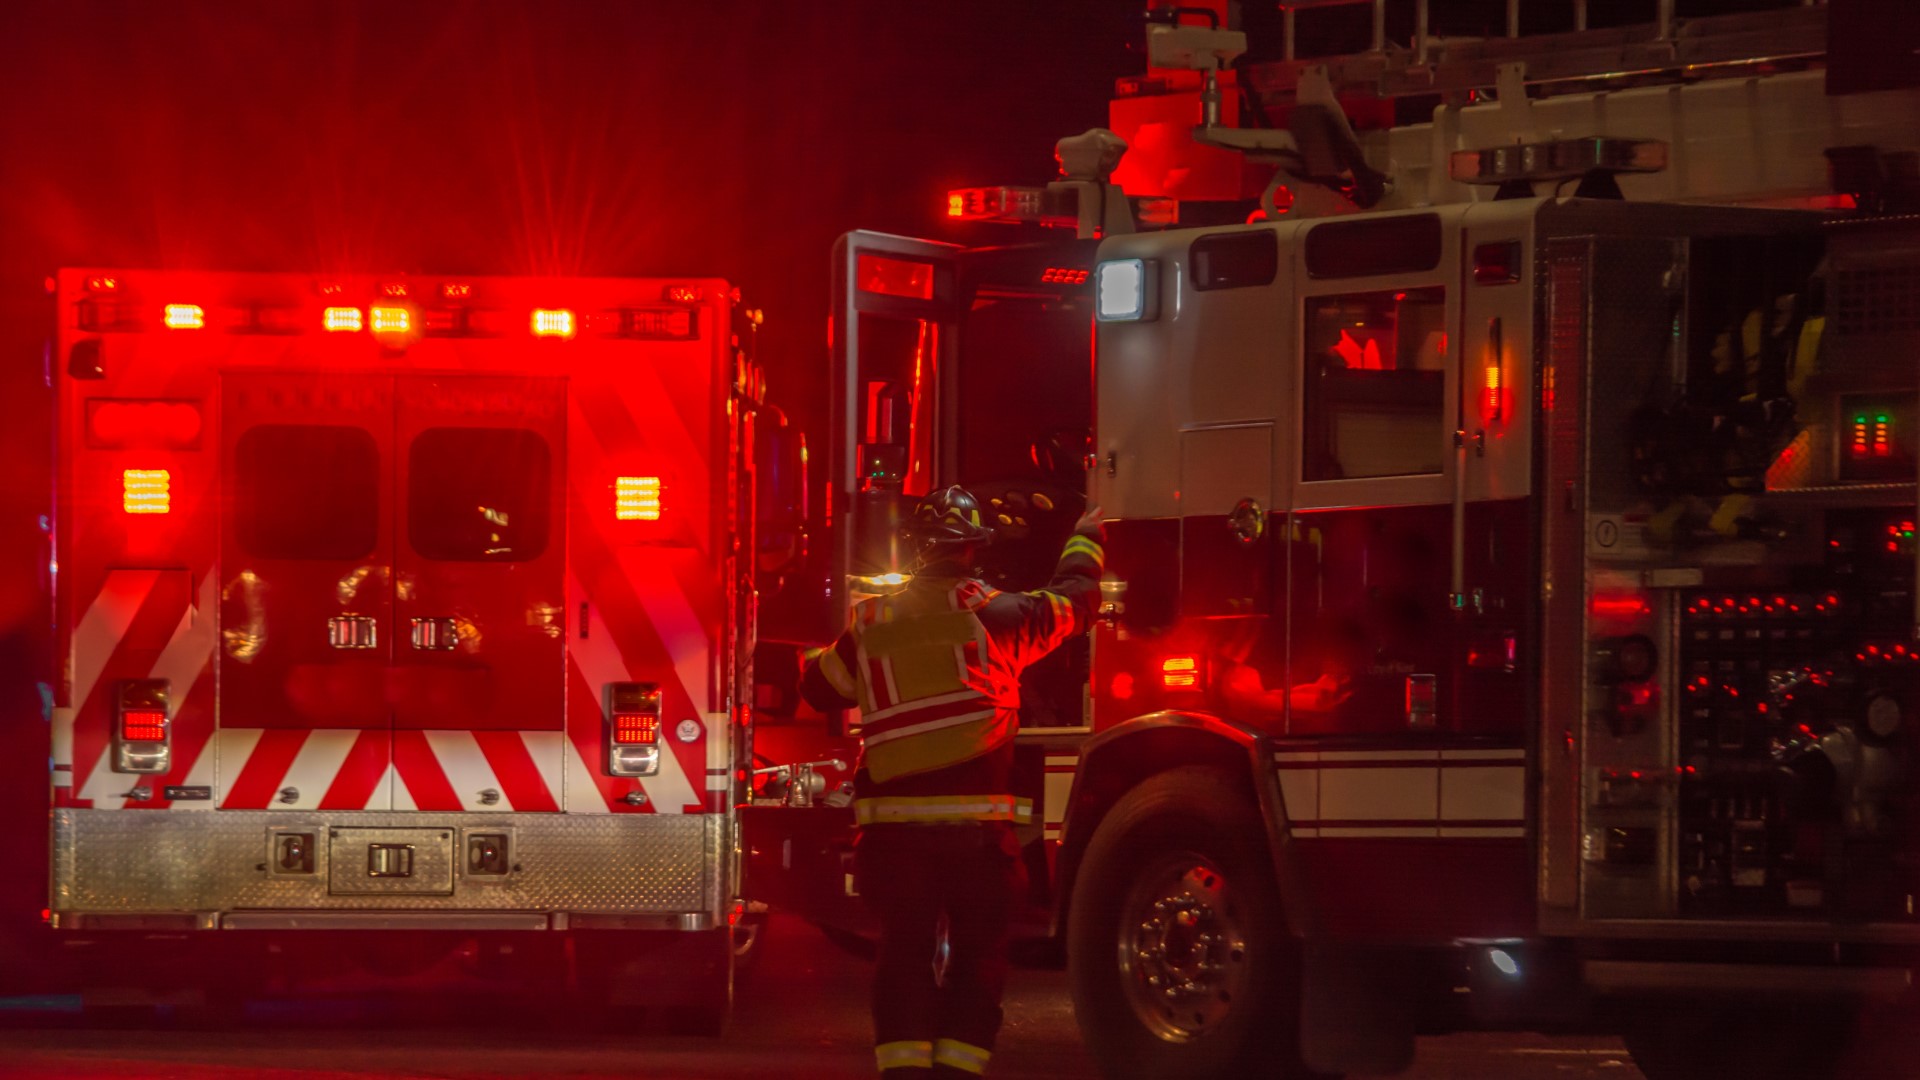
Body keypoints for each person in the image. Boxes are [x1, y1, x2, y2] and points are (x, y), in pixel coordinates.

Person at [801, 485, 1104, 1078]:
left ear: (916, 550)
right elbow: (1079, 600)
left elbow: (819, 688)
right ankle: (958, 1073)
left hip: (894, 843)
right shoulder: (1001, 617)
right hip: (977, 843)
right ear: (974, 549)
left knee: (903, 955)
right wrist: (1089, 529)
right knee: (978, 960)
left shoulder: (870, 622)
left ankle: (905, 1072)